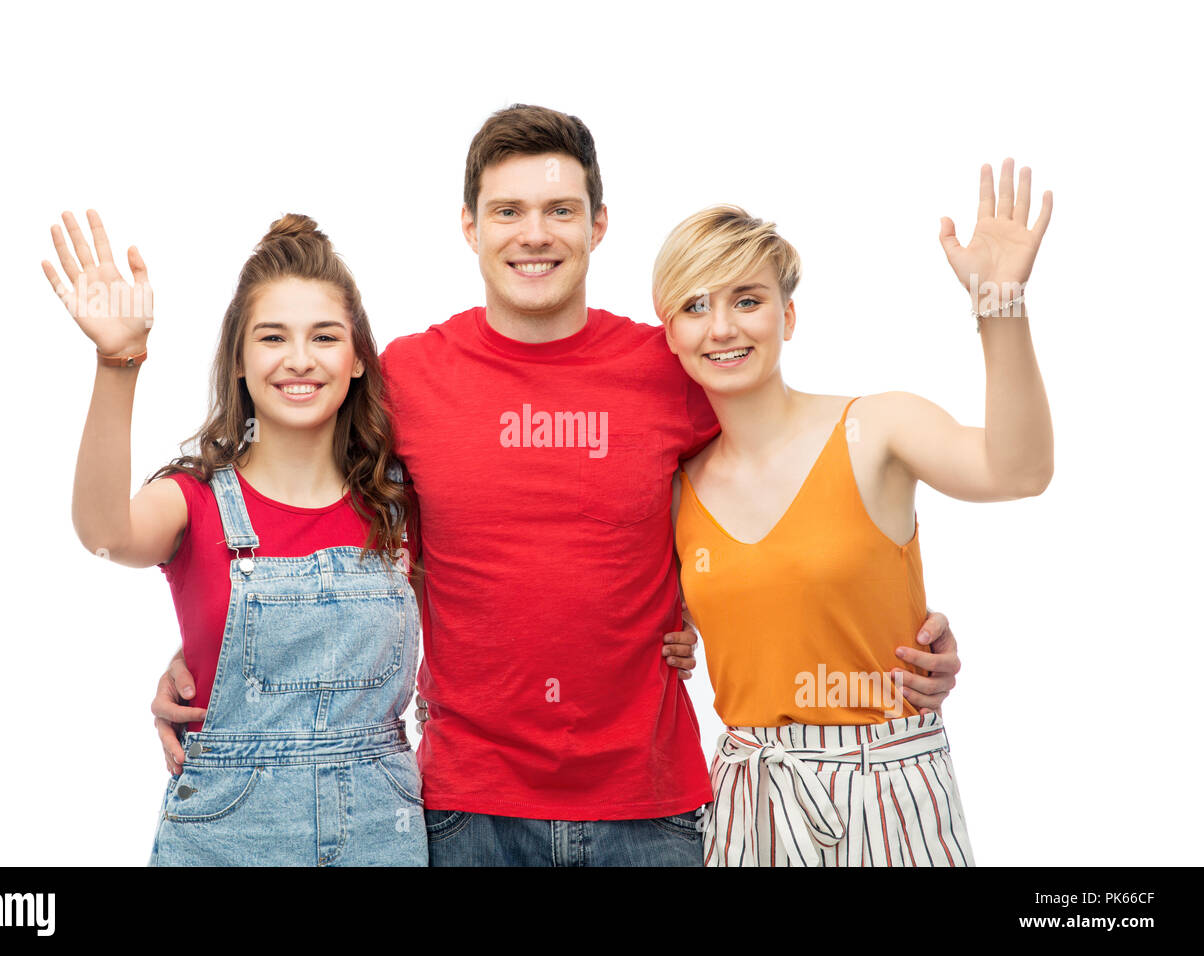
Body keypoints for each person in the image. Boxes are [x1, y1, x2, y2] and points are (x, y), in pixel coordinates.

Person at [153, 105, 965, 866]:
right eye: (506, 211)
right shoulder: (407, 377)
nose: (533, 234)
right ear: (469, 227)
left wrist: (888, 621)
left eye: (560, 210)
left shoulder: (671, 367)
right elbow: (319, 506)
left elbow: (790, 483)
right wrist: (215, 637)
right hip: (467, 810)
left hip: (651, 810)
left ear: (598, 225)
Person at [653, 160, 1053, 866]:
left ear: (788, 315)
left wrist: (1000, 305)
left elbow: (1017, 471)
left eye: (747, 300)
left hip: (892, 789)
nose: (720, 327)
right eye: (694, 306)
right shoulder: (675, 489)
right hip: (752, 796)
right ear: (669, 333)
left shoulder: (879, 429)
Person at [44, 211, 427, 866]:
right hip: (225, 839)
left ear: (359, 358)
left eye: (325, 337)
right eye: (272, 337)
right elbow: (104, 533)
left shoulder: (401, 504)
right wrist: (118, 362)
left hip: (381, 832)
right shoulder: (192, 502)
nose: (299, 360)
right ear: (241, 360)